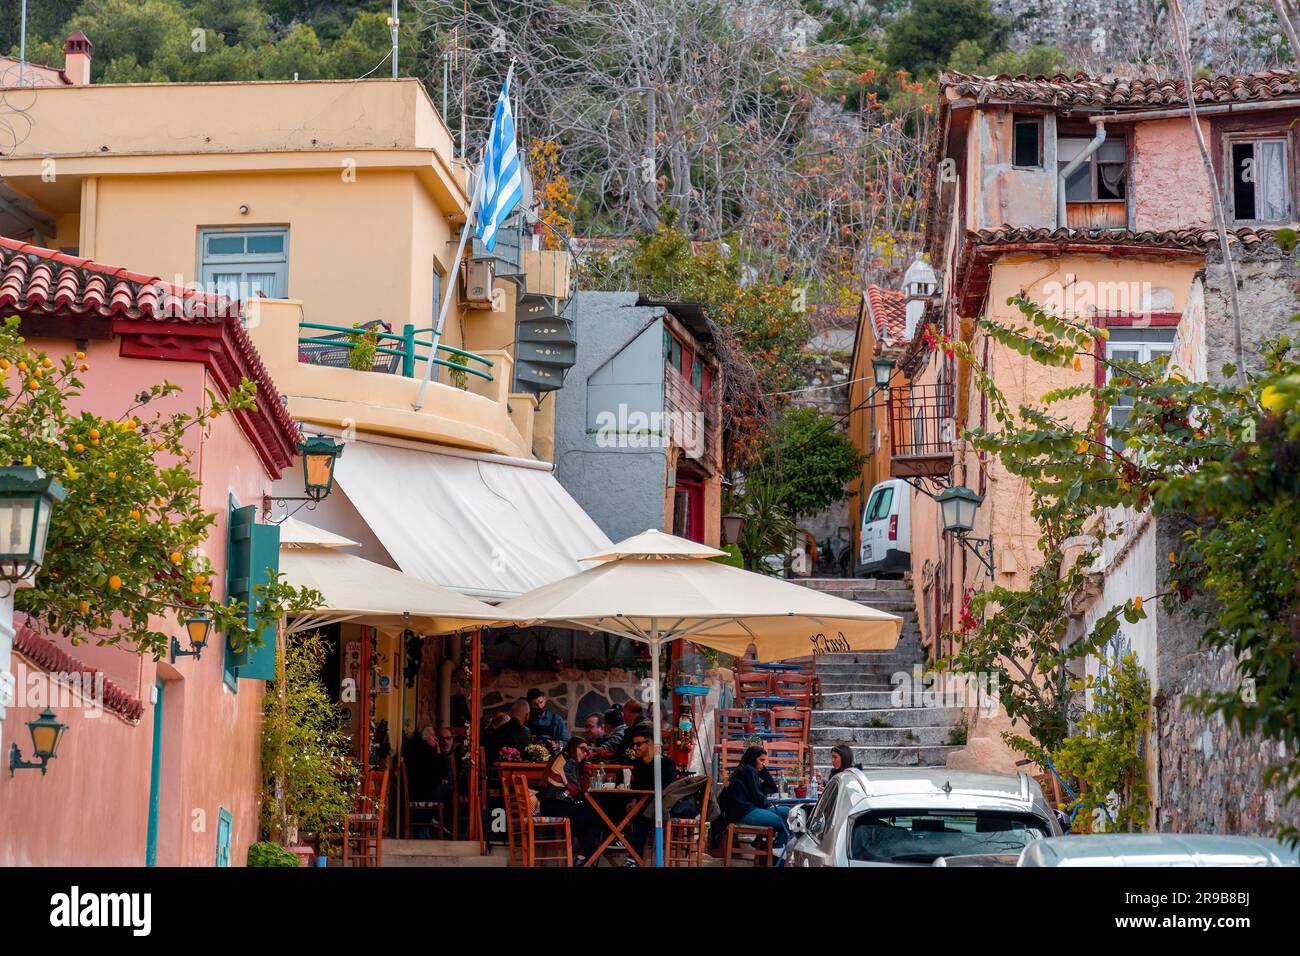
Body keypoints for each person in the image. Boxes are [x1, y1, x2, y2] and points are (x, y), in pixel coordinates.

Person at [538, 737, 602, 865]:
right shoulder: (569, 761)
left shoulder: (562, 757)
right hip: (555, 806)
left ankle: (583, 855)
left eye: (587, 751)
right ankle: (583, 857)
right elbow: (574, 790)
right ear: (573, 747)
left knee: (584, 817)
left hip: (550, 805)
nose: (585, 753)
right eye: (583, 749)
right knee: (597, 818)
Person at [723, 746, 791, 864]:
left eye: (764, 761)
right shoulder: (748, 770)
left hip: (751, 809)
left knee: (789, 812)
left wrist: (763, 769)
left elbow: (771, 787)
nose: (763, 764)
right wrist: (768, 803)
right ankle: (778, 858)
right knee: (784, 822)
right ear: (753, 759)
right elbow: (758, 798)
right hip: (744, 812)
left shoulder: (749, 769)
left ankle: (776, 851)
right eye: (761, 760)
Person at [623, 728, 678, 867]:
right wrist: (634, 800)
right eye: (633, 745)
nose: (635, 748)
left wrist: (641, 803)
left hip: (662, 805)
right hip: (642, 805)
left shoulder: (666, 764)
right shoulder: (638, 763)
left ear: (650, 743)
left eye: (638, 744)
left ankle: (633, 858)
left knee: (643, 816)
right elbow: (636, 787)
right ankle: (618, 841)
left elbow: (668, 789)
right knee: (620, 808)